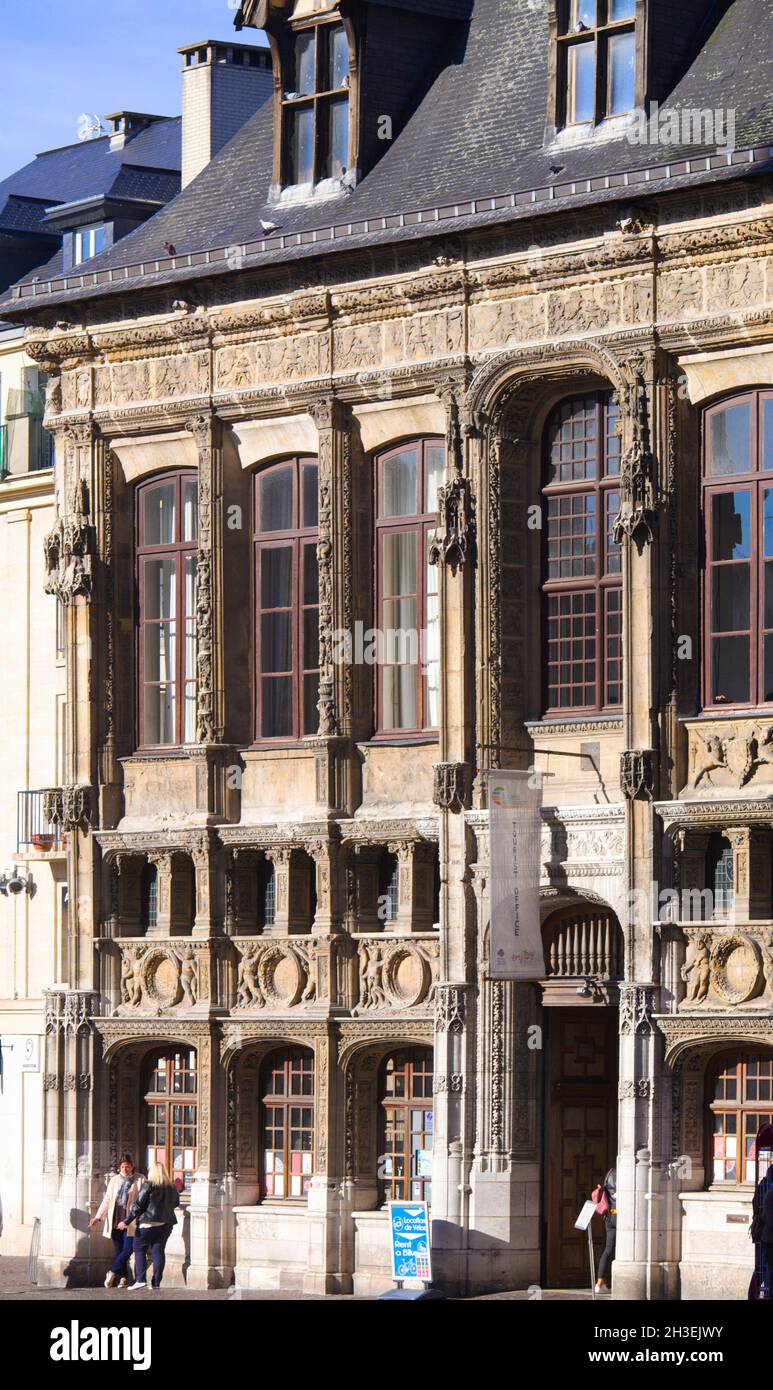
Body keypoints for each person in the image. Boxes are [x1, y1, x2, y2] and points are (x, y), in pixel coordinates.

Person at [119, 1161, 180, 1291]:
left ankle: (140, 1279)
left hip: (147, 1224)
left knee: (139, 1249)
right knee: (158, 1251)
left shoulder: (148, 1185)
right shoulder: (171, 1186)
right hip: (165, 1225)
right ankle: (156, 1282)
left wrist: (127, 1221)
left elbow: (138, 1205)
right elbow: (175, 1203)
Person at [89, 1153, 144, 1289]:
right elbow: (107, 1200)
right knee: (120, 1252)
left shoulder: (140, 1179)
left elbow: (143, 1200)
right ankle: (124, 1278)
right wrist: (98, 1217)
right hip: (115, 1220)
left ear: (133, 1166)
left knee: (128, 1249)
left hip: (130, 1221)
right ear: (120, 1167)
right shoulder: (114, 1180)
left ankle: (112, 1272)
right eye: (123, 1166)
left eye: (128, 1166)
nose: (125, 1169)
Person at [592, 1165, 617, 1295]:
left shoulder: (610, 1173)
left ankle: (600, 1282)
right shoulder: (625, 1173)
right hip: (621, 1217)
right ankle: (613, 1282)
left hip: (609, 1215)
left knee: (608, 1250)